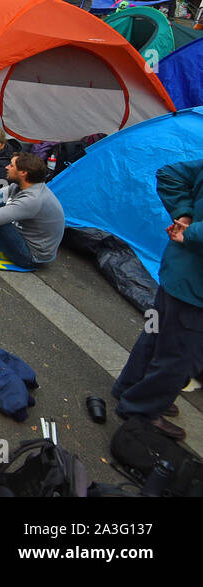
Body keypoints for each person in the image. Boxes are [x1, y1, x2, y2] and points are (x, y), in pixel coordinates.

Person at [110, 159, 203, 440]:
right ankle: (143, 410)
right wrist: (191, 231)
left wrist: (184, 215)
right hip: (195, 285)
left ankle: (130, 386)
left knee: (155, 333)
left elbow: (169, 173)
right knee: (179, 355)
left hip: (178, 270)